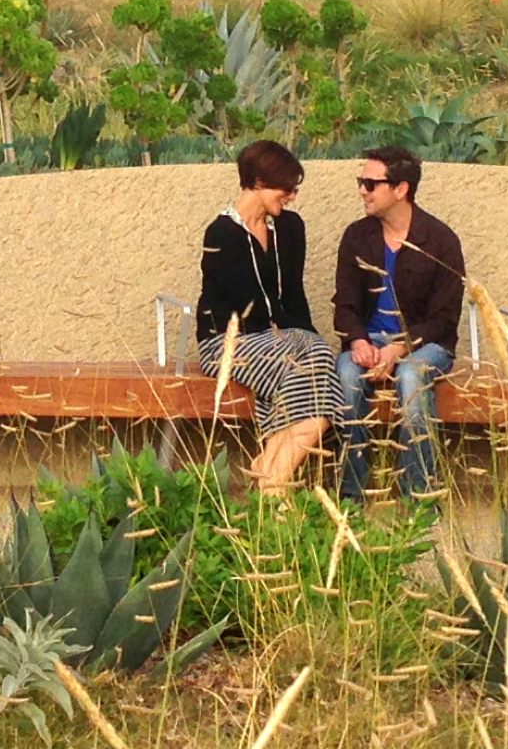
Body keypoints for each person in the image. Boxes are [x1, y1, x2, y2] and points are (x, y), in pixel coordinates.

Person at [195, 139, 348, 494]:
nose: (292, 196)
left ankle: (269, 474)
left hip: (284, 342)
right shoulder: (221, 234)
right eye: (286, 188)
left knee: (317, 364)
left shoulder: (291, 229)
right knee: (319, 380)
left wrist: (307, 340)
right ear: (259, 182)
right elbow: (239, 309)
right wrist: (301, 343)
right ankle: (273, 479)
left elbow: (294, 294)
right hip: (229, 341)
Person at [330, 143, 466, 501]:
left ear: (400, 189)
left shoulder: (440, 240)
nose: (362, 190)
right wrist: (358, 342)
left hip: (425, 345)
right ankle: (351, 496)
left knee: (411, 376)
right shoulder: (357, 236)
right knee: (345, 374)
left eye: (371, 184)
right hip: (368, 341)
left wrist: (400, 347)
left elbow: (444, 318)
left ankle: (419, 497)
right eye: (361, 181)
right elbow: (344, 305)